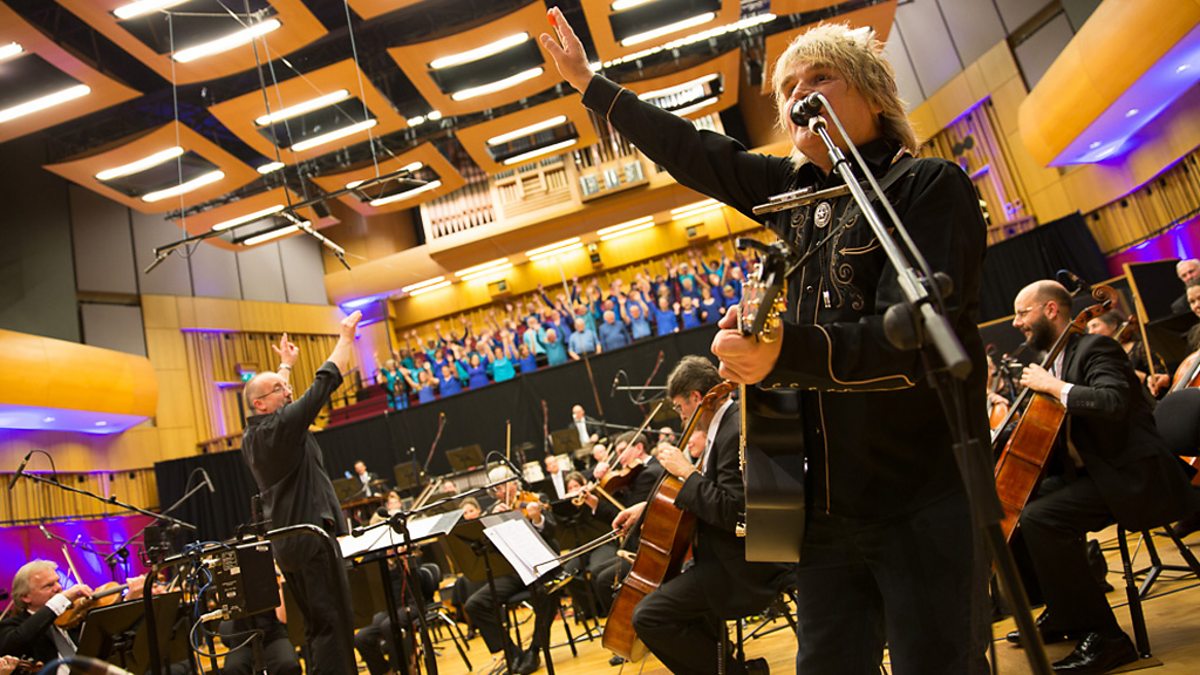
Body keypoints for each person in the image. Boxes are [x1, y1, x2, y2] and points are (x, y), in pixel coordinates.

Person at [542, 11, 991, 673]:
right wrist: (590, 83)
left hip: (918, 499)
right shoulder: (790, 193)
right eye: (787, 89)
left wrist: (786, 353)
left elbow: (916, 342)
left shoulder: (925, 188)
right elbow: (695, 151)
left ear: (870, 92)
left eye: (820, 78)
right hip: (817, 514)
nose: (798, 95)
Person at [1005, 280, 1196, 672]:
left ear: (1051, 310)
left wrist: (1055, 387)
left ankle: (1109, 639)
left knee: (1044, 519)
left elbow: (1111, 402)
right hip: (1097, 472)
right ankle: (1065, 612)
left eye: (1023, 312)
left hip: (1134, 474)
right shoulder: (1055, 360)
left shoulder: (1095, 348)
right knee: (1022, 511)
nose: (1015, 322)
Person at [610, 356, 790, 674]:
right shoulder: (723, 428)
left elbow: (736, 513)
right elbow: (709, 492)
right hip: (719, 558)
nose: (681, 419)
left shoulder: (734, 429)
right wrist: (647, 508)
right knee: (670, 601)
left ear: (696, 398)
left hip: (741, 565)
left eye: (680, 408)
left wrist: (687, 473)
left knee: (648, 617)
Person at [240, 315, 361, 675]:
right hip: (309, 539)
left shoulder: (258, 433)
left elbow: (281, 397)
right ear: (261, 403)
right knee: (333, 625)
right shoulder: (280, 429)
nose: (287, 390)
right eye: (279, 389)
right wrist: (345, 338)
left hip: (292, 542)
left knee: (316, 626)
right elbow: (324, 383)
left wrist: (285, 367)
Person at [464, 467, 558, 674]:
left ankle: (534, 650)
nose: (500, 492)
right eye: (495, 490)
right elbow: (488, 547)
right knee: (475, 604)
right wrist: (493, 524)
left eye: (503, 485)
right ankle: (513, 653)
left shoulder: (536, 498)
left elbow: (553, 530)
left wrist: (537, 519)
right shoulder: (494, 510)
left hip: (541, 567)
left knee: (547, 594)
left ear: (514, 483)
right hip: (513, 571)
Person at [0, 561, 93, 672]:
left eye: (58, 581)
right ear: (25, 597)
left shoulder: (73, 616)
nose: (59, 587)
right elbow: (18, 641)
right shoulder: (12, 626)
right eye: (49, 585)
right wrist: (60, 600)